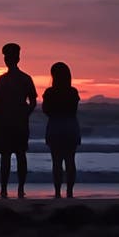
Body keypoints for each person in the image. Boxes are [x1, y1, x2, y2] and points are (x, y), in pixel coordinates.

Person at [0, 43, 37, 198]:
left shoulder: (4, 80)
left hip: (9, 123)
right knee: (18, 155)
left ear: (15, 58)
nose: (7, 60)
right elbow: (33, 102)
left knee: (10, 156)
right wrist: (26, 113)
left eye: (8, 57)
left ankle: (7, 189)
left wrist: (24, 114)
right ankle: (18, 189)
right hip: (15, 122)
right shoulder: (24, 79)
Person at [42, 62, 80, 198]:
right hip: (70, 128)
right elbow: (74, 110)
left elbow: (45, 110)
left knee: (56, 162)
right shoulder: (73, 92)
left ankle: (57, 192)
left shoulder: (50, 92)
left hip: (55, 128)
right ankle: (69, 192)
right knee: (70, 161)